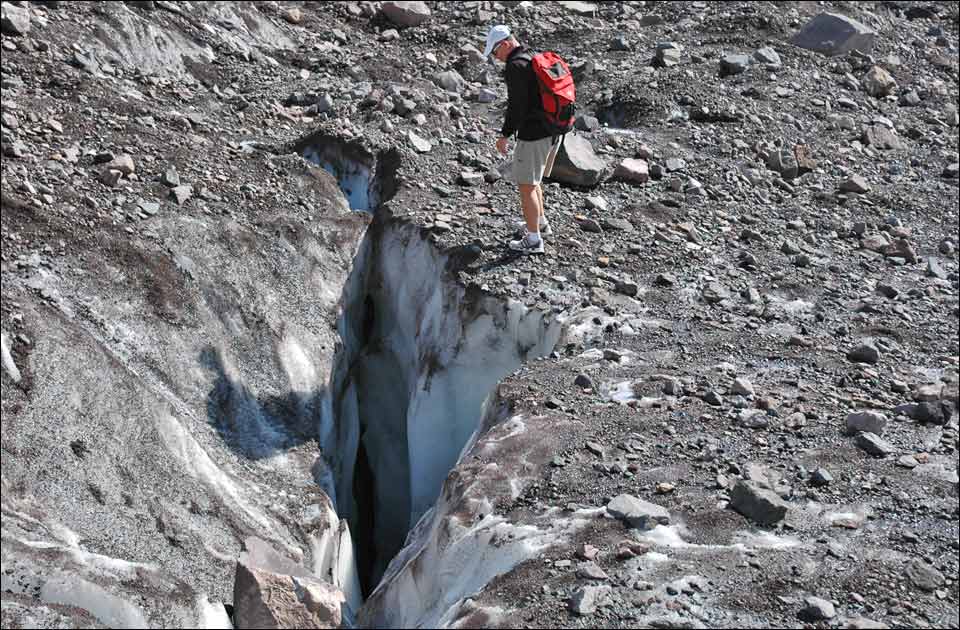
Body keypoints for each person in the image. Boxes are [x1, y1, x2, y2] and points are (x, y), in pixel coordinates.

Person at [483, 25, 561, 255]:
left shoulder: (515, 66)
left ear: (506, 44)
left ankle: (534, 241)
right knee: (534, 181)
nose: (495, 57)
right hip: (553, 129)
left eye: (495, 51)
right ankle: (540, 224)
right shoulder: (533, 55)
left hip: (534, 133)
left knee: (526, 186)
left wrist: (504, 134)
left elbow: (516, 106)